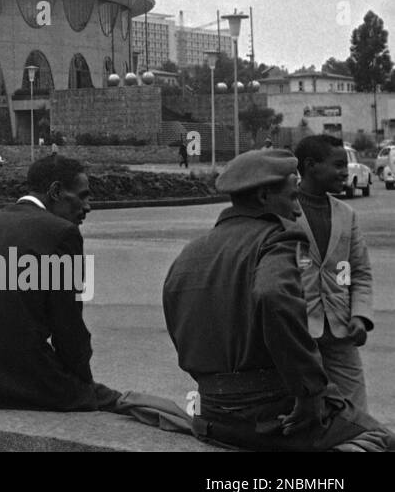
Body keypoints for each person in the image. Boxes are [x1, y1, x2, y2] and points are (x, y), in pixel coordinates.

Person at [163, 148, 393, 450]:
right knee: (379, 438)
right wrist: (309, 394)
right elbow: (274, 297)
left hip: (213, 416)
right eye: (292, 197)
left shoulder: (190, 253)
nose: (298, 210)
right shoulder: (277, 238)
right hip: (272, 416)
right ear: (263, 198)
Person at [0, 154, 120, 410]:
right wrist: (84, 385)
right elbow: (68, 329)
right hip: (23, 384)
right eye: (82, 196)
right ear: (56, 191)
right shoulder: (62, 234)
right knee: (126, 405)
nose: (88, 207)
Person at [292, 135, 374, 412]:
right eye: (338, 165)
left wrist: (360, 315)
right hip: (296, 330)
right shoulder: (284, 211)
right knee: (303, 411)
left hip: (341, 329)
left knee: (357, 413)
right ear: (311, 165)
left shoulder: (346, 214)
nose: (345, 171)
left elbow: (360, 271)